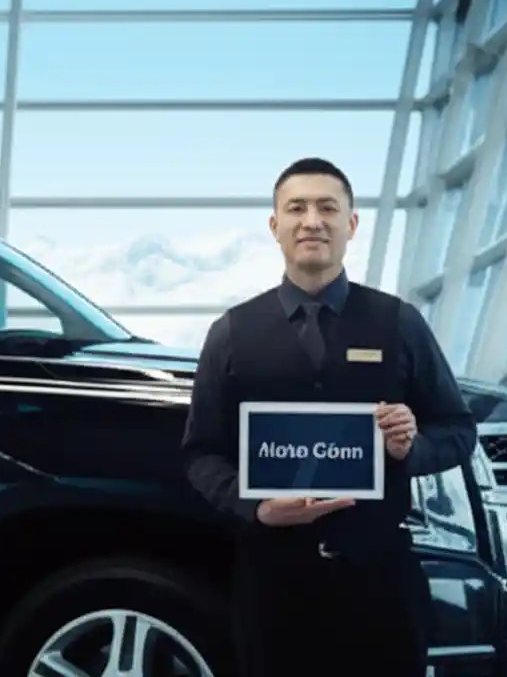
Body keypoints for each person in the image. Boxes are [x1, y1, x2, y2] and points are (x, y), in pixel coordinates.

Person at [180, 157, 478, 676]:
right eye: (296, 208)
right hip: (272, 588)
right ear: (275, 226)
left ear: (351, 225)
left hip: (381, 584)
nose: (311, 220)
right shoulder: (231, 332)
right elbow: (200, 452)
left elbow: (458, 431)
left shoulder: (399, 323)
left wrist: (412, 447)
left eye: (327, 207)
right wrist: (255, 506)